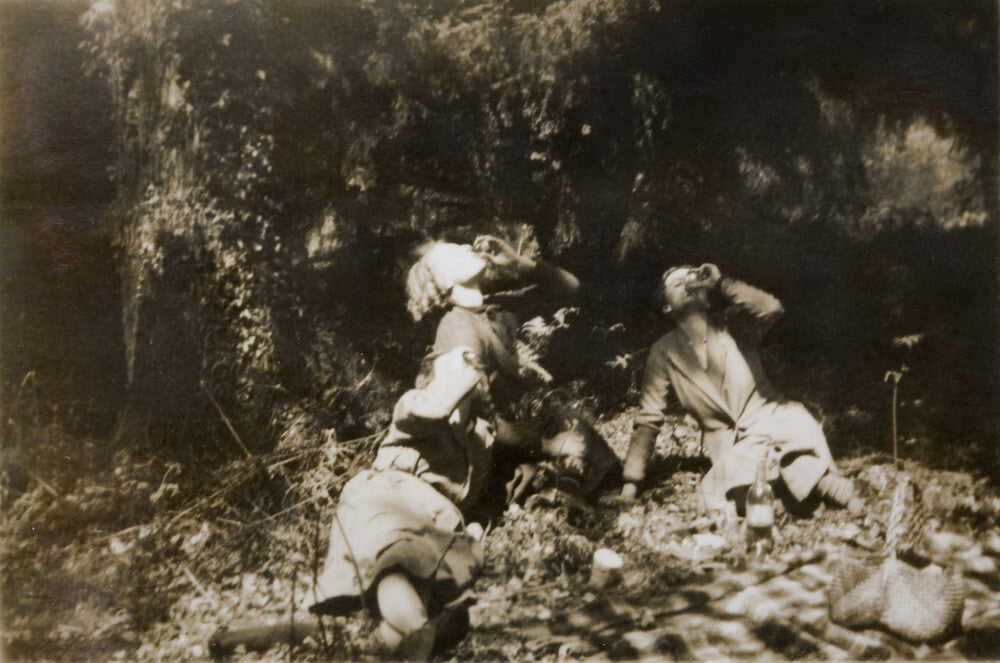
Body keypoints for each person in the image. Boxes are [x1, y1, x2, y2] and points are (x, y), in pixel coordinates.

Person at [620, 264, 857, 514]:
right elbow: (649, 417)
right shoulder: (663, 352)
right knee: (718, 493)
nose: (687, 283)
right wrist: (630, 484)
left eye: (692, 279)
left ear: (706, 299)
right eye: (676, 283)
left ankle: (809, 490)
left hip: (776, 421)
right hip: (733, 447)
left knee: (773, 455)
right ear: (666, 306)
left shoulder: (732, 324)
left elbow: (770, 308)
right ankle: (817, 486)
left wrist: (720, 282)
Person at [309, 347, 493, 658]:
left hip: (435, 517)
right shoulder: (413, 407)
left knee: (423, 576)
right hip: (390, 494)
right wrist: (464, 371)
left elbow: (480, 490)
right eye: (470, 380)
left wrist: (476, 524)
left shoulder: (480, 436)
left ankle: (405, 639)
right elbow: (432, 407)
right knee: (398, 559)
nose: (480, 385)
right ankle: (422, 631)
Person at [406, 235, 620, 499]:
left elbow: (570, 287)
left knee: (572, 425)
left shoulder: (493, 309)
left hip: (520, 434)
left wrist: (518, 263)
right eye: (453, 251)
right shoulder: (457, 327)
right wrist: (547, 446)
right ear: (443, 281)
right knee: (567, 465)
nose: (465, 246)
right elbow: (473, 419)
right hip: (496, 455)